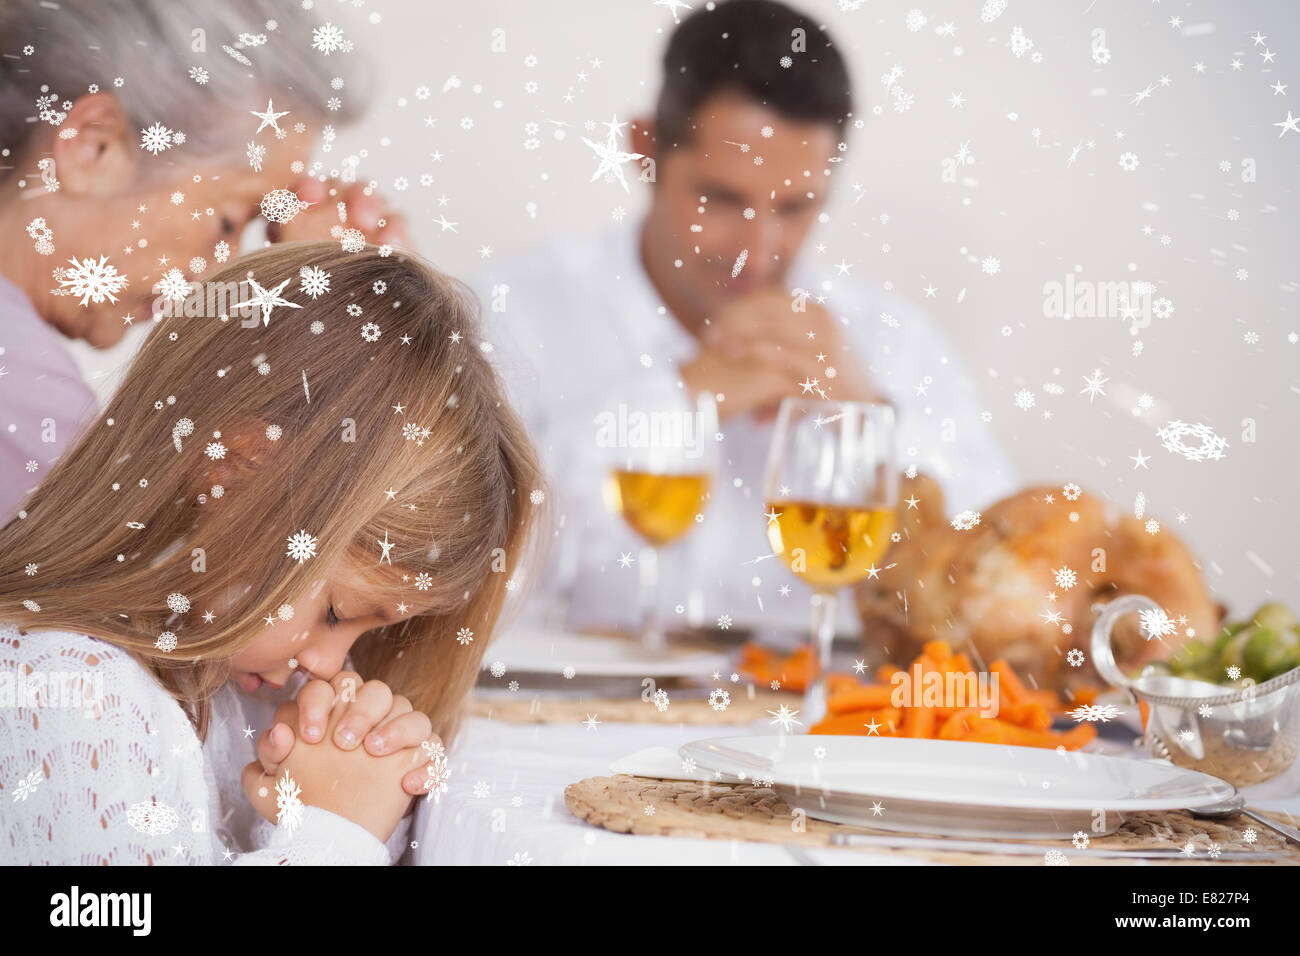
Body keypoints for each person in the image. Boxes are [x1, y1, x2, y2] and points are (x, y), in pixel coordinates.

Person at [476, 0, 1018, 637]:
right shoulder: (514, 311)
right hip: (560, 727)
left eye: (795, 207)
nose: (758, 253)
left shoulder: (890, 340)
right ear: (644, 151)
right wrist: (681, 399)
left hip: (828, 733)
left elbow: (998, 580)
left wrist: (867, 419)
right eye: (722, 198)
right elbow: (461, 564)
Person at [0, 242, 543, 864]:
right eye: (336, 613)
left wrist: (325, 802)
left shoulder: (235, 691)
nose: (327, 664)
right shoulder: (67, 694)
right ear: (232, 471)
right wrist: (336, 834)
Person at [0, 0, 407, 521]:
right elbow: (115, 581)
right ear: (94, 147)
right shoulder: (25, 401)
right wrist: (313, 332)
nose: (213, 274)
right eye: (228, 221)